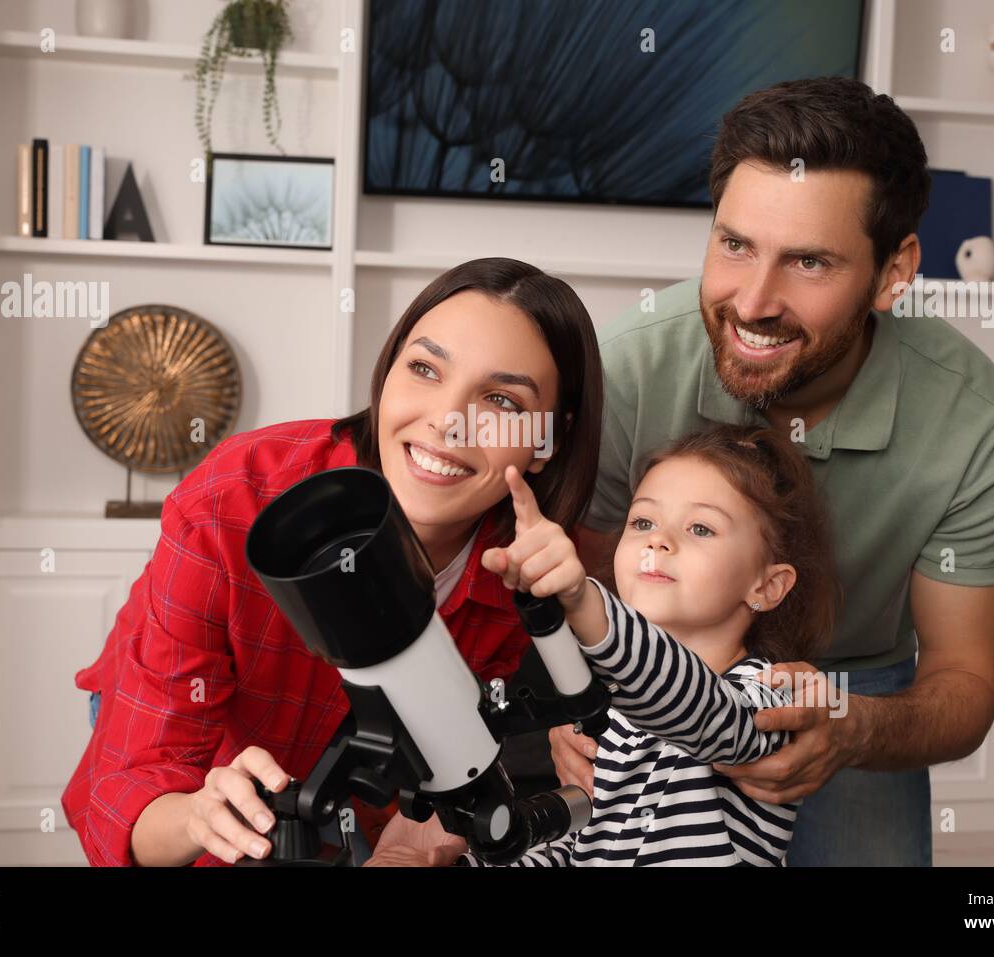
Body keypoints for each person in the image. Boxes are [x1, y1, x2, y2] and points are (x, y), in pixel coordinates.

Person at [550, 76, 994, 866]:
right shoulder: (630, 365)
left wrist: (853, 729)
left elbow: (963, 679)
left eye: (809, 262)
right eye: (735, 245)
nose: (753, 301)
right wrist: (578, 703)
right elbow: (588, 578)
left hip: (854, 684)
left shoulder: (978, 424)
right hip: (655, 661)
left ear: (893, 272)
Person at [61, 257, 604, 866]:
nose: (447, 423)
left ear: (547, 440)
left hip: (346, 770)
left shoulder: (530, 561)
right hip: (190, 743)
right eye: (424, 368)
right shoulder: (235, 499)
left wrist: (576, 724)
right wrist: (197, 815)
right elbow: (130, 800)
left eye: (501, 400)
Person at [368, 424, 842, 866]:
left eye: (701, 528)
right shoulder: (604, 711)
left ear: (768, 585)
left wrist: (581, 599)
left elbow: (702, 713)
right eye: (642, 522)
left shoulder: (775, 696)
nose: (659, 541)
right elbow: (579, 849)